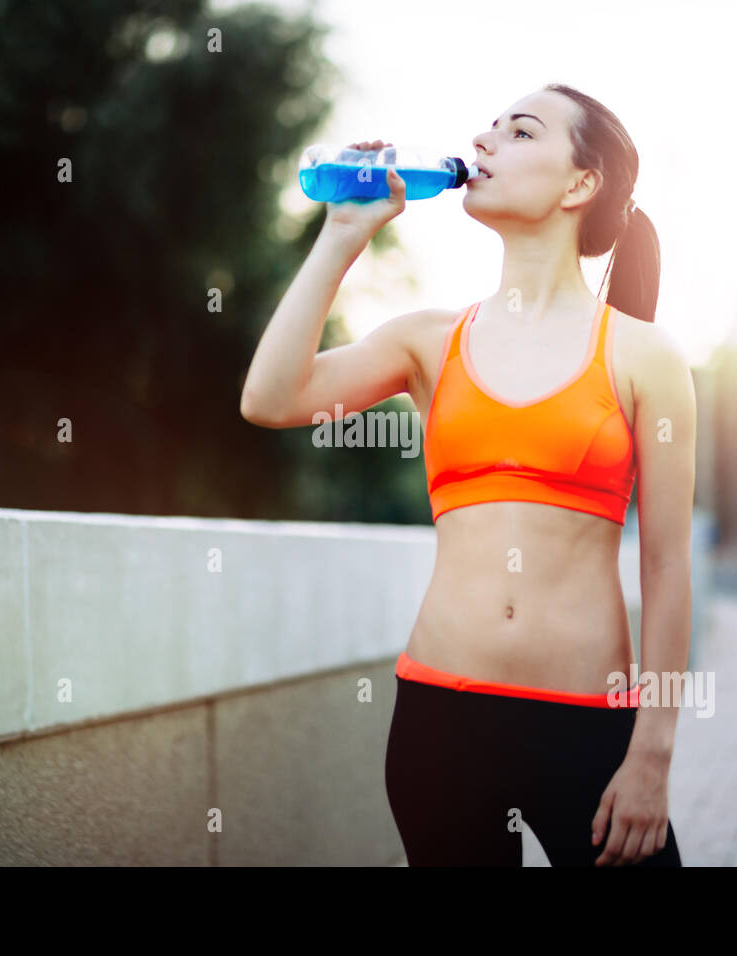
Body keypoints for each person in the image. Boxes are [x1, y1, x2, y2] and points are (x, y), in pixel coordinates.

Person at [241, 83, 695, 866]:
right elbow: (271, 397)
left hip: (588, 723)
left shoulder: (643, 355)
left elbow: (666, 566)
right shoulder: (428, 341)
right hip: (438, 721)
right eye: (487, 127)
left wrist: (651, 752)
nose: (482, 142)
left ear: (580, 185)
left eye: (518, 132)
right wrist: (342, 235)